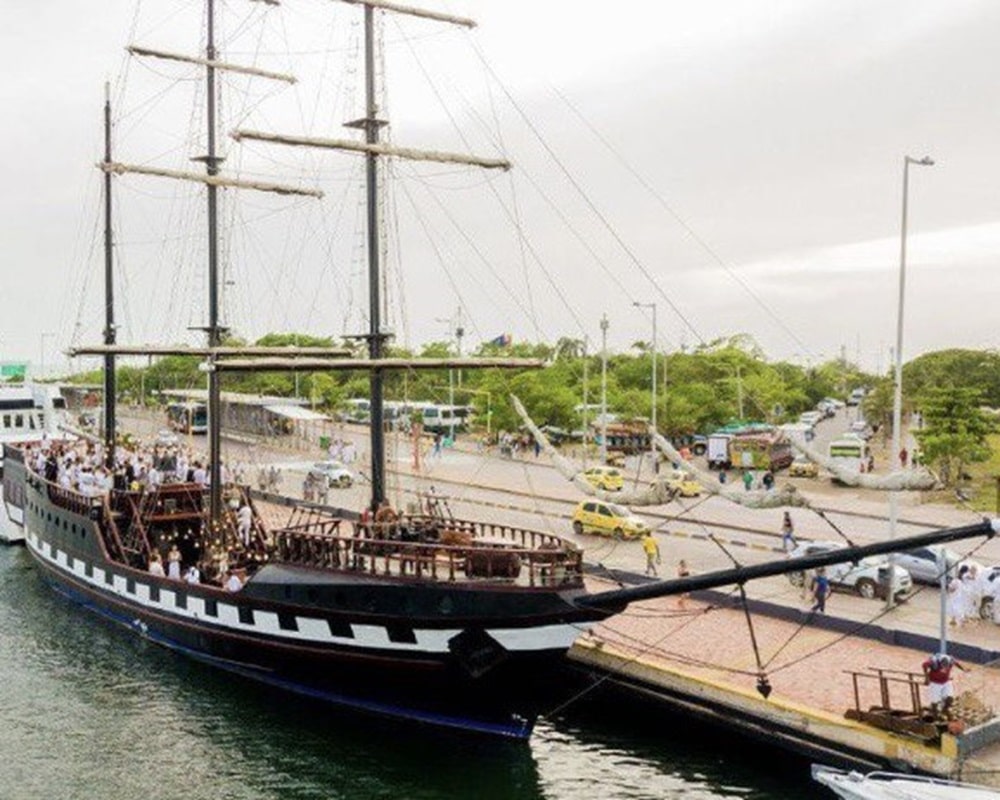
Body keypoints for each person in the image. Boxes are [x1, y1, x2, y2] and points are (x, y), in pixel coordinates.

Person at [922, 652, 969, 719]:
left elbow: (956, 663)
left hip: (945, 681)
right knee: (935, 702)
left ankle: (945, 709)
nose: (944, 669)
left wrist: (964, 669)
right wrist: (926, 678)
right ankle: (935, 716)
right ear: (940, 663)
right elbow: (924, 665)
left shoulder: (950, 660)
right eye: (943, 666)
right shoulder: (934, 661)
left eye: (946, 667)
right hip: (935, 682)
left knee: (950, 698)